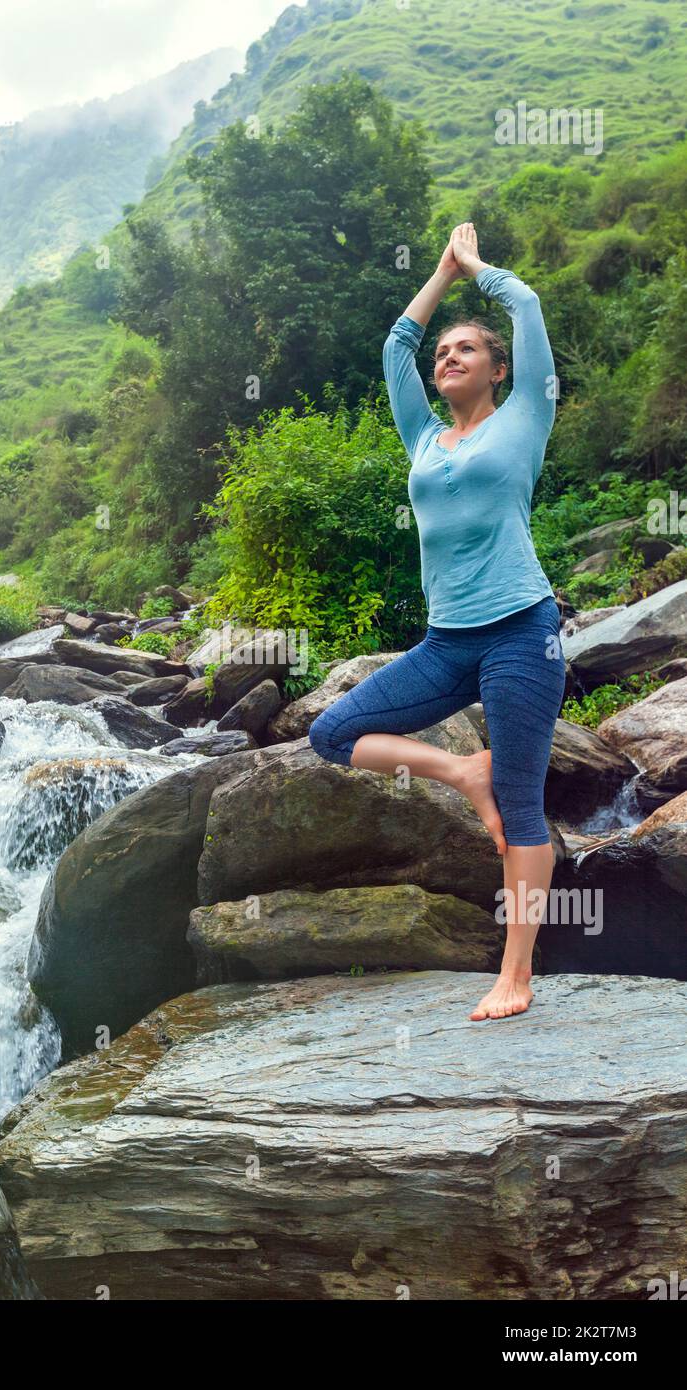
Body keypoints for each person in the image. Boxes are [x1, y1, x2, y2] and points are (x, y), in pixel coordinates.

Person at [308, 223, 566, 1022]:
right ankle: (465, 772)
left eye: (465, 351)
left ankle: (515, 974)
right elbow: (395, 349)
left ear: (497, 369)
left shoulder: (526, 416)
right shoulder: (423, 437)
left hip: (523, 630)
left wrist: (475, 268)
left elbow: (522, 302)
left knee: (522, 809)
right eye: (442, 352)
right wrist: (438, 274)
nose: (446, 358)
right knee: (333, 734)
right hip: (447, 641)